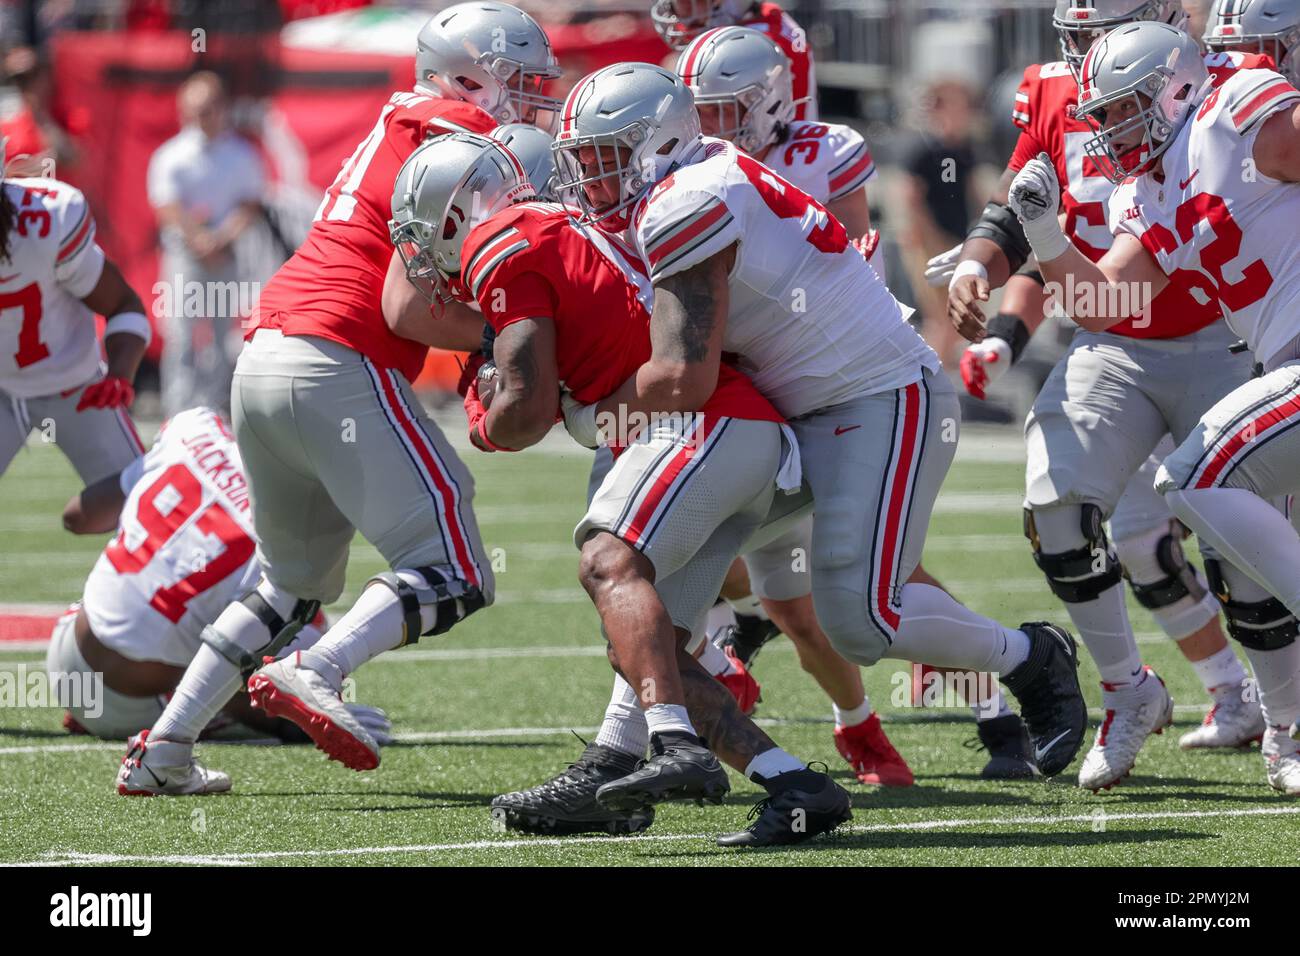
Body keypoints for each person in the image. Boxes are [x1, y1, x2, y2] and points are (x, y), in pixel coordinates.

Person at [553, 64, 1090, 829]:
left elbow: (683, 373)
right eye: (581, 156)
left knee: (859, 622)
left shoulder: (687, 201)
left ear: (657, 146)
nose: (588, 174)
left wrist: (585, 410)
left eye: (603, 155)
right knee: (655, 587)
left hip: (874, 397)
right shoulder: (692, 180)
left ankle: (1031, 655)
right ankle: (627, 760)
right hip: (783, 413)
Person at [113, 3, 558, 794]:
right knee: (456, 568)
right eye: (517, 83)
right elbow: (406, 310)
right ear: (468, 77)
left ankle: (165, 749)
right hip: (335, 359)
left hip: (266, 359)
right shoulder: (454, 145)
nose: (529, 101)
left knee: (289, 586)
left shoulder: (401, 122)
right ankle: (317, 669)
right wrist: (503, 336)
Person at [931, 0, 1272, 789]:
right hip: (1116, 339)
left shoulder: (1228, 89)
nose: (1087, 58)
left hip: (1232, 338)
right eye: (1075, 39)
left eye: (1101, 36)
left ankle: (1281, 715)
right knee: (1062, 509)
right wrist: (991, 292)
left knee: (1244, 545)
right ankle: (1134, 691)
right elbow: (1023, 214)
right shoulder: (1059, 93)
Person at [1008, 19, 1300, 793]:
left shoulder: (1237, 111)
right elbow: (1103, 301)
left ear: (1174, 89)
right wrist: (1043, 232)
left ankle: (1286, 721)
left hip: (1262, 358)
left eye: (1121, 109)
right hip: (1273, 361)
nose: (1105, 129)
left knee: (1204, 483)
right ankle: (1140, 692)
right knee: (1179, 485)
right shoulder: (1150, 187)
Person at [43, 408, 390, 771]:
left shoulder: (195, 427)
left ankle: (87, 709)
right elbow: (262, 685)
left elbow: (77, 517)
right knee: (259, 665)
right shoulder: (287, 540)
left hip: (65, 649)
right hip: (134, 709)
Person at [0, 157, 149, 501]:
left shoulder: (50, 220)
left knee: (142, 505)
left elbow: (124, 307)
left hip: (74, 386)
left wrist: (119, 376)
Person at [147, 71, 265, 416]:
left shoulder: (240, 154)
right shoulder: (172, 155)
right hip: (186, 255)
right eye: (196, 109)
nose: (203, 116)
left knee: (220, 337)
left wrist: (219, 238)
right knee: (181, 336)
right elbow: (166, 206)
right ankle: (178, 411)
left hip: (225, 253)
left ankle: (215, 411)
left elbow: (249, 204)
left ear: (222, 107)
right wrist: (199, 239)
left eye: (209, 108)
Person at [650, 0, 817, 121]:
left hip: (769, 156)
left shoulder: (756, 46)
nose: (676, 11)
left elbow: (719, 123)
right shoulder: (761, 20)